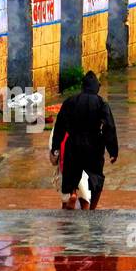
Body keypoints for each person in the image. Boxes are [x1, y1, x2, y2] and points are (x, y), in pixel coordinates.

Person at [50, 71, 118, 210]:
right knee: (97, 178)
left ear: (83, 86)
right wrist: (113, 151)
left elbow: (59, 126)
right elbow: (108, 127)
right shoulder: (101, 103)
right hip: (94, 145)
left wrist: (55, 148)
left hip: (73, 143)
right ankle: (92, 208)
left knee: (71, 175)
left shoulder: (70, 101)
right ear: (96, 87)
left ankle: (73, 194)